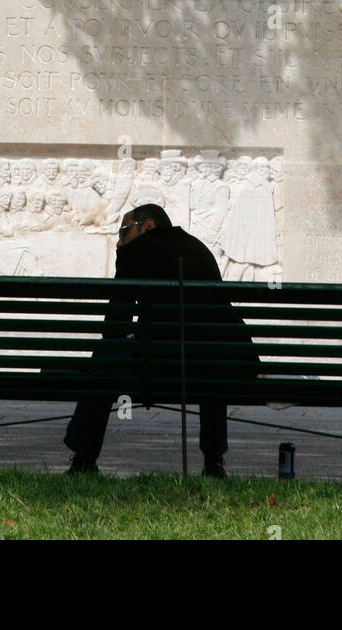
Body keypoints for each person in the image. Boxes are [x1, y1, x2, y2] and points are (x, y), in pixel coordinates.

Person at [64, 203, 250, 478]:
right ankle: (214, 461)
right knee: (211, 357)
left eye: (124, 230)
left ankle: (84, 458)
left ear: (148, 225)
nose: (120, 239)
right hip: (216, 364)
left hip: (157, 366)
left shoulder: (132, 252)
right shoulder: (198, 247)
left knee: (106, 358)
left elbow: (116, 322)